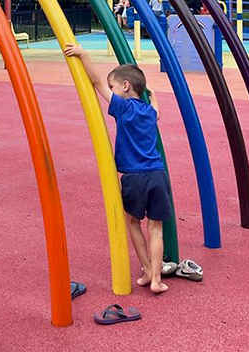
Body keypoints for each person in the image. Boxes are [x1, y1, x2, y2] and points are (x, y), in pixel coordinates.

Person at [63, 44, 172, 294]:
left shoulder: (123, 108)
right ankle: (156, 279)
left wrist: (83, 54)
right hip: (157, 174)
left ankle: (147, 269)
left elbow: (95, 82)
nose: (110, 90)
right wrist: (153, 95)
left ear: (125, 86)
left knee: (133, 222)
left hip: (134, 177)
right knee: (156, 227)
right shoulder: (149, 112)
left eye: (113, 87)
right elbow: (157, 110)